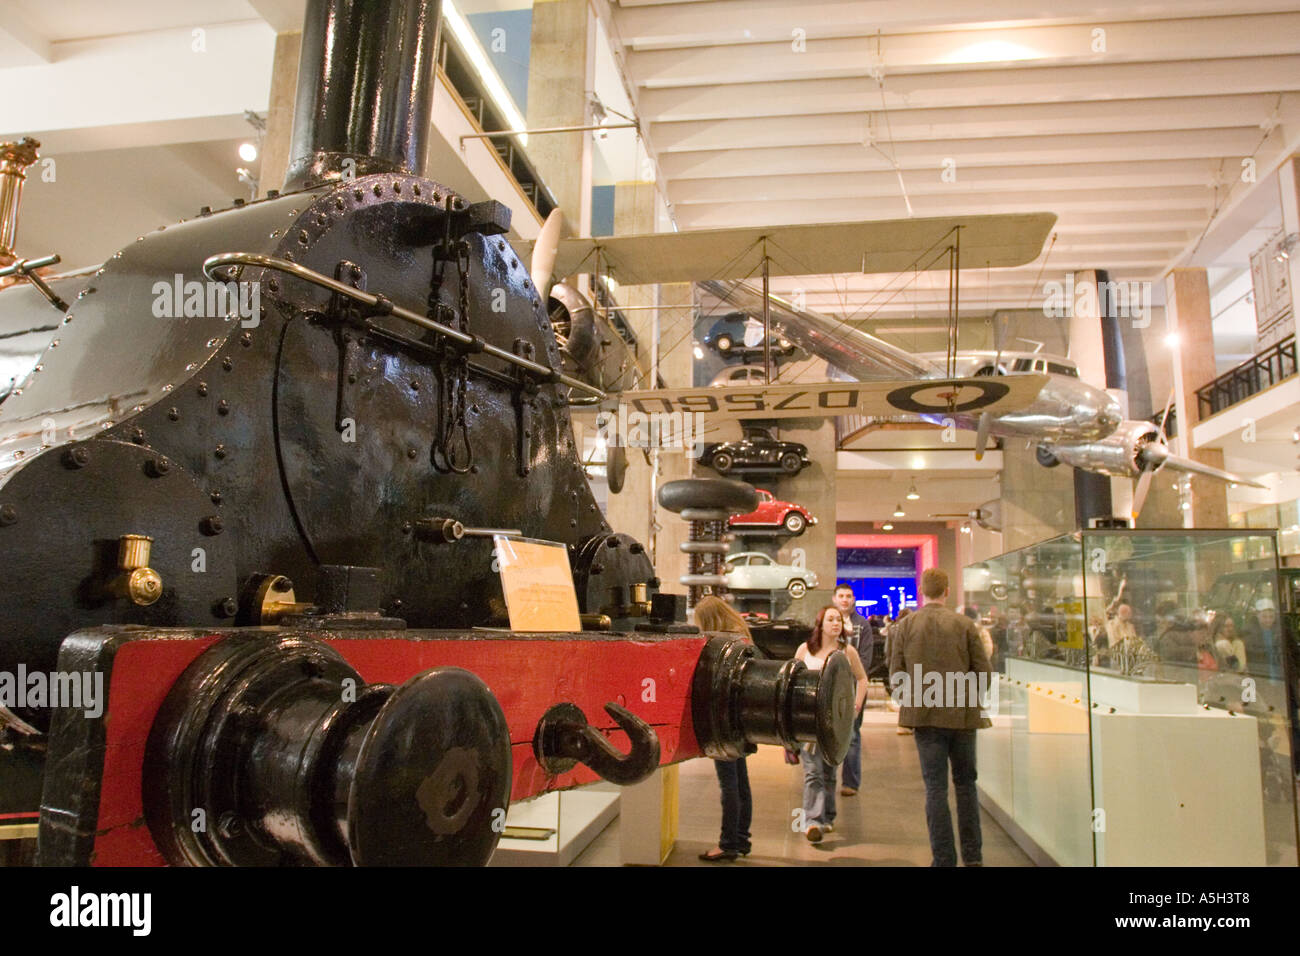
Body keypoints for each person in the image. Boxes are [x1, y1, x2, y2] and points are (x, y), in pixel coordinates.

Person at [889, 568, 992, 867]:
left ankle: (943, 858)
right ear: (947, 591)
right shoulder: (965, 625)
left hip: (925, 716)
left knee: (935, 788)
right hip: (963, 716)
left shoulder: (906, 626)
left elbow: (896, 673)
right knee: (966, 784)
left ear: (921, 591)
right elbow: (983, 672)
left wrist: (911, 700)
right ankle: (973, 856)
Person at [794, 605, 869, 844]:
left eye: (838, 620)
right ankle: (812, 821)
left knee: (829, 771)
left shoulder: (847, 652)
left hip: (835, 722)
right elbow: (791, 679)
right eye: (830, 619)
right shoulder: (805, 650)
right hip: (808, 720)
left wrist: (856, 707)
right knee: (812, 772)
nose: (836, 623)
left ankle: (827, 816)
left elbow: (862, 679)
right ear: (821, 624)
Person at [692, 596, 756, 862]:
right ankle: (741, 839)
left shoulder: (720, 644)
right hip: (741, 724)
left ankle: (728, 844)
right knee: (741, 783)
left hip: (722, 725)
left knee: (729, 785)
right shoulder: (743, 639)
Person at [832, 584, 874, 797]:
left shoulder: (862, 625)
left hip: (855, 687)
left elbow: (865, 658)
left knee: (852, 734)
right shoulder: (829, 622)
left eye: (848, 596)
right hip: (831, 688)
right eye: (841, 596)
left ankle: (850, 782)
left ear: (853, 599)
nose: (845, 599)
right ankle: (827, 780)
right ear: (834, 598)